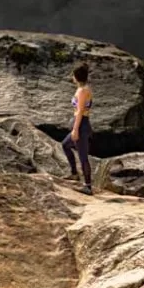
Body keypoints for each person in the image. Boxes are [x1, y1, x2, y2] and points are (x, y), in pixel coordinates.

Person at [62, 63, 93, 194]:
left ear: (76, 76)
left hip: (81, 124)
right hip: (82, 123)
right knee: (65, 144)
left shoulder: (82, 91)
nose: (71, 77)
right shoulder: (86, 88)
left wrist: (75, 129)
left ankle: (88, 186)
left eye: (73, 75)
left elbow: (80, 111)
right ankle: (74, 173)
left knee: (83, 156)